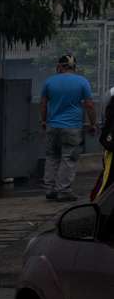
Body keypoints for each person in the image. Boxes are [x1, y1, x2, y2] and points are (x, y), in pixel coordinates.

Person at [39, 54, 97, 202]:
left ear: (60, 66)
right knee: (68, 159)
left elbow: (43, 104)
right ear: (74, 67)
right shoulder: (82, 82)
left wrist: (44, 121)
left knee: (52, 157)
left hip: (53, 126)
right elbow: (89, 105)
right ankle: (63, 190)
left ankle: (50, 189)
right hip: (72, 128)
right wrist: (92, 124)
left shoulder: (49, 82)